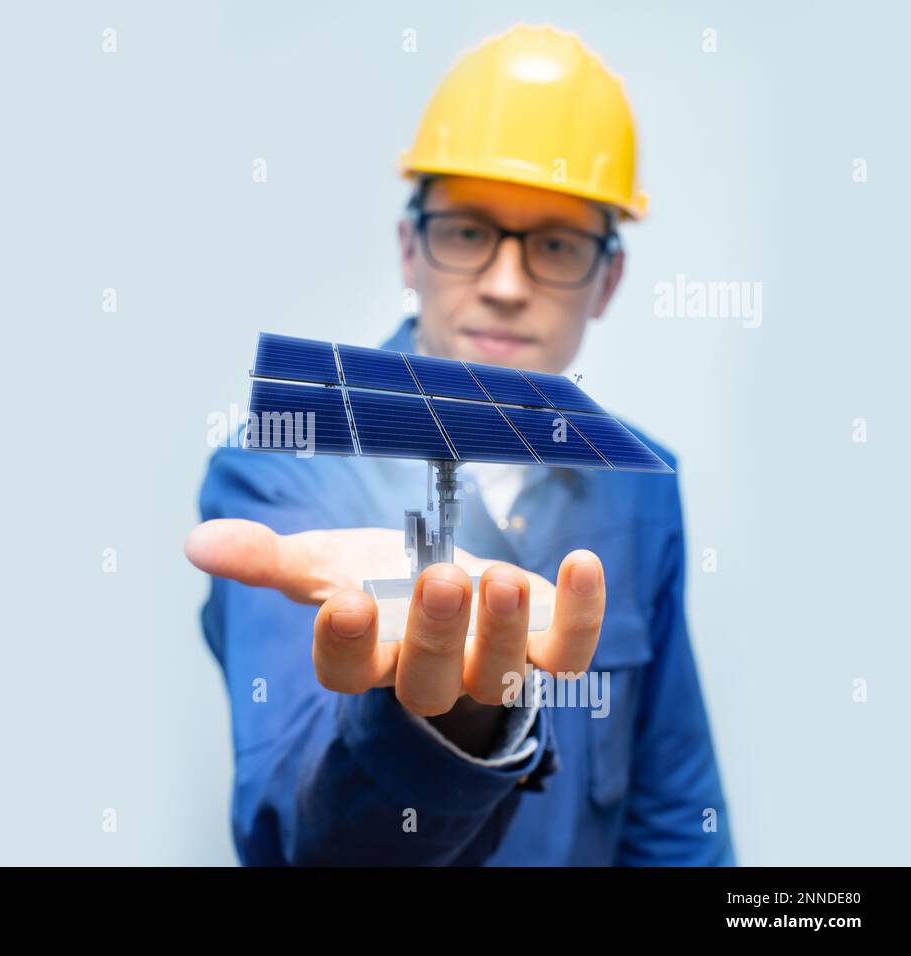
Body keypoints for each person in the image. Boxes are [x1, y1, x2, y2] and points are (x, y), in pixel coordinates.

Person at [184, 23, 734, 866]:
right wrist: (442, 718)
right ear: (411, 248)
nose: (507, 285)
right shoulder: (281, 470)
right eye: (469, 232)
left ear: (608, 279)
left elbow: (674, 818)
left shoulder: (640, 487)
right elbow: (297, 836)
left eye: (554, 244)